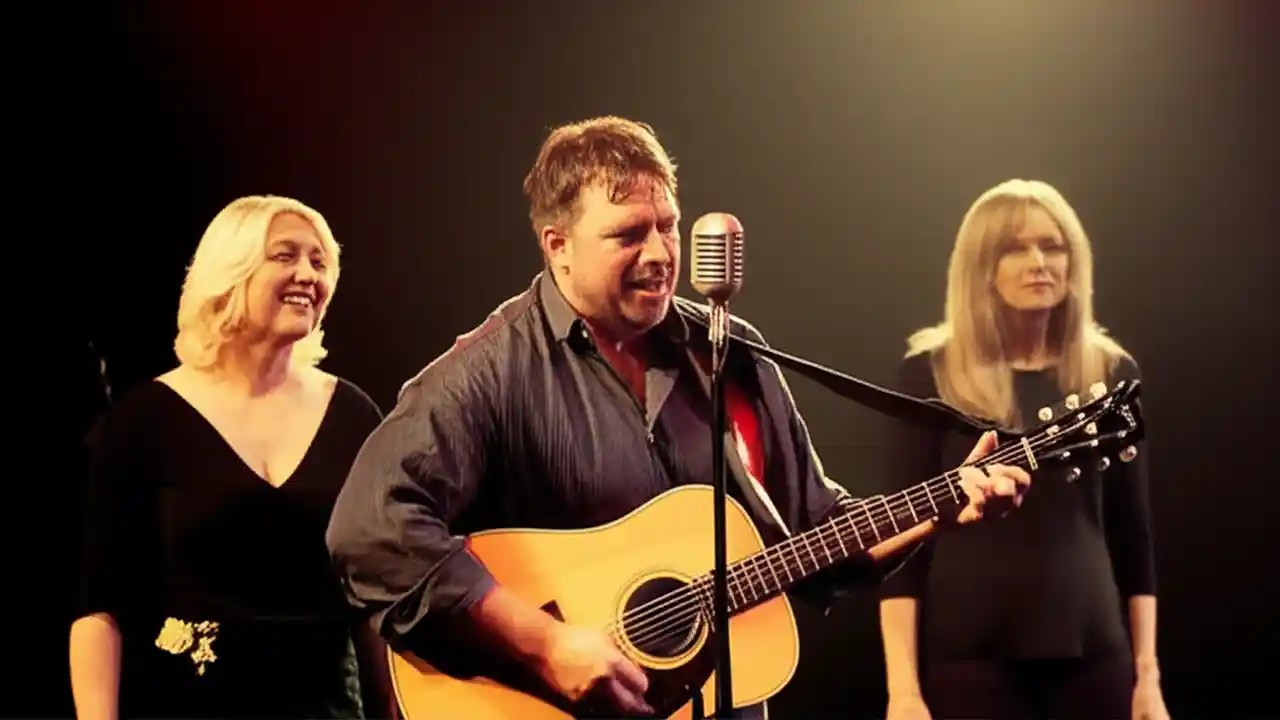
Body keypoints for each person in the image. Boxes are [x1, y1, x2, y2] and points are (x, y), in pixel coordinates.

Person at [324, 116, 1029, 719]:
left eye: (669, 226)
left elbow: (812, 533)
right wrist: (546, 644)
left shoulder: (729, 354)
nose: (662, 254)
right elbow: (370, 530)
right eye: (629, 234)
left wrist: (944, 503)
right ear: (556, 245)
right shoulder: (488, 373)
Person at [69, 195, 397, 719]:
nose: (307, 275)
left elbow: (375, 599)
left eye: (319, 261)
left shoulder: (354, 414)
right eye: (285, 255)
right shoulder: (145, 419)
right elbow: (100, 605)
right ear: (230, 273)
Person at [877, 179, 1170, 720]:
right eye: (1016, 247)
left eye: (1053, 245)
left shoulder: (1110, 374)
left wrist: (1148, 677)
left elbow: (1135, 537)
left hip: (1094, 657)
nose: (1039, 261)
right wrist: (903, 691)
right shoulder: (928, 374)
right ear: (981, 267)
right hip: (967, 660)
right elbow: (902, 548)